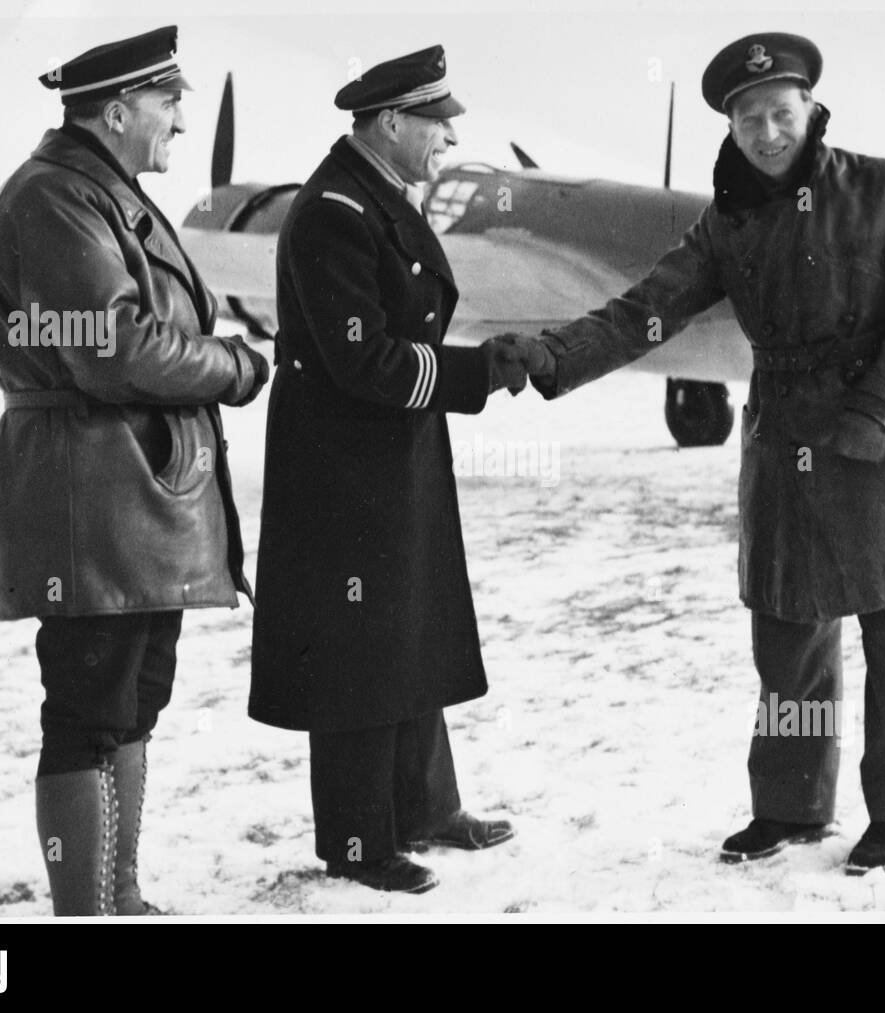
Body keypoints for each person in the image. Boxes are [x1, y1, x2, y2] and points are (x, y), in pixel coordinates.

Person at [505, 32, 885, 875]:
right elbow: (647, 311)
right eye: (748, 118)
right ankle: (792, 805)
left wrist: (882, 413)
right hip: (787, 446)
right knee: (790, 635)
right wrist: (554, 355)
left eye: (781, 112)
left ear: (810, 110)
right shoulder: (724, 223)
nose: (767, 132)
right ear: (729, 126)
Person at [0, 26, 269, 915]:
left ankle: (118, 897)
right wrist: (235, 365)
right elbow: (113, 346)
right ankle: (89, 910)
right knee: (89, 710)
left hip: (130, 493)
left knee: (132, 701)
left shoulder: (100, 194)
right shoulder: (57, 199)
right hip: (92, 496)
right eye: (167, 101)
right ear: (115, 110)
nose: (181, 120)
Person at [248, 45, 527, 894]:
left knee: (411, 624)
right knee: (357, 649)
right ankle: (360, 841)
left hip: (390, 452)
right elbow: (365, 361)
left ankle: (427, 806)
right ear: (391, 123)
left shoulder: (374, 195)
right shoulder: (334, 208)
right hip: (344, 467)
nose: (447, 140)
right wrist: (480, 372)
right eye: (437, 126)